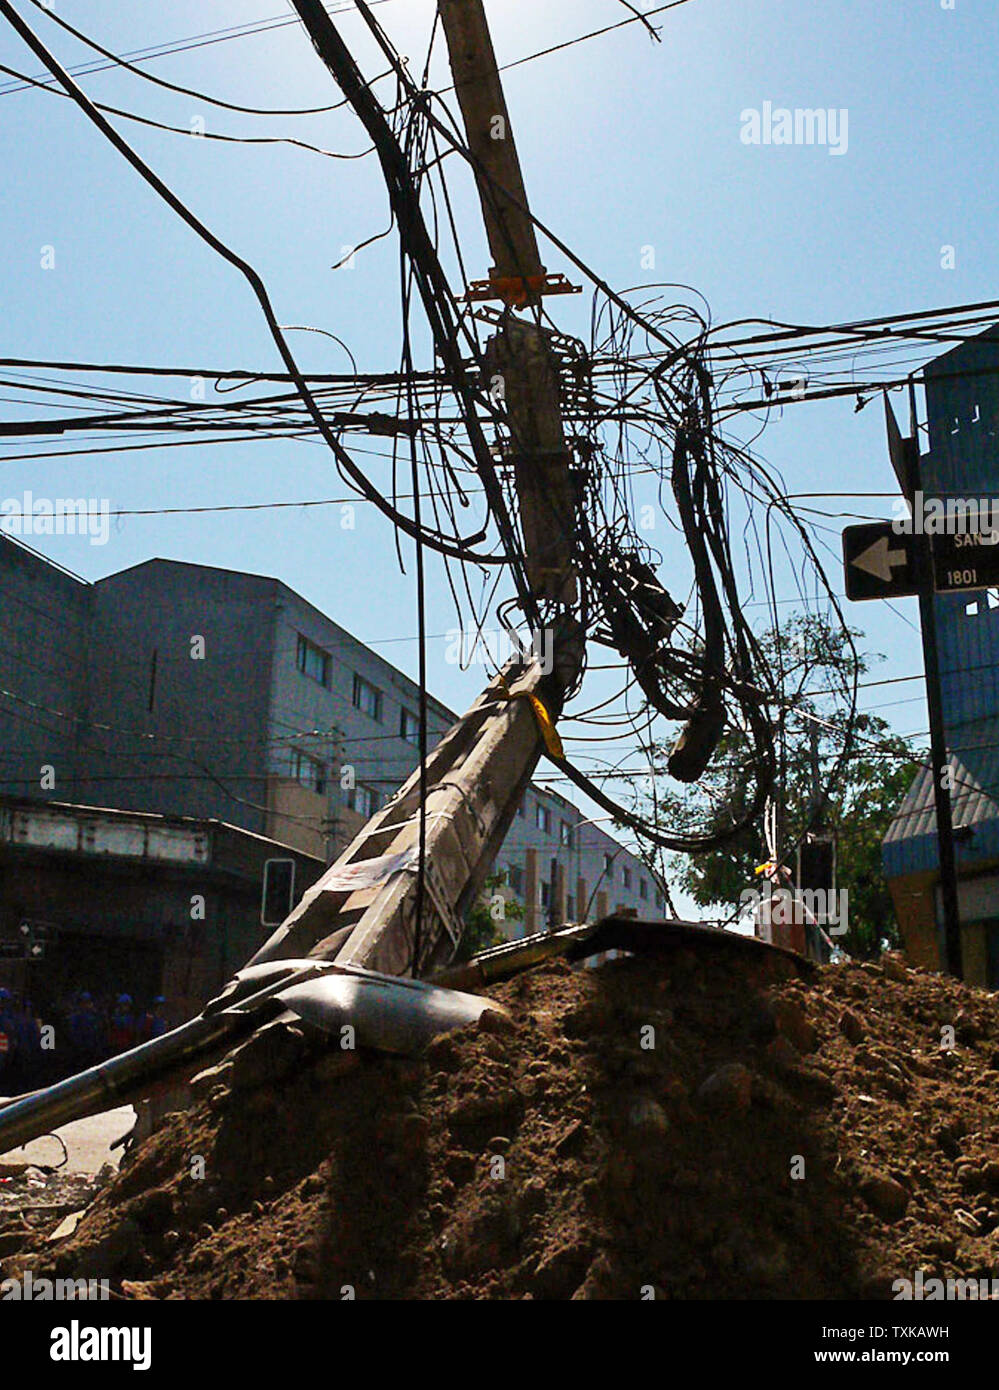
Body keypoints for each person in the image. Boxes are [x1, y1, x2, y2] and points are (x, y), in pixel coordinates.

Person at [67, 991, 105, 1068]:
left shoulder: (95, 1015)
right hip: (83, 1051)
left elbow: (99, 1031)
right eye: (85, 1002)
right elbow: (75, 1035)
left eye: (89, 1002)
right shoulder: (76, 1018)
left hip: (96, 1049)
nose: (87, 1004)